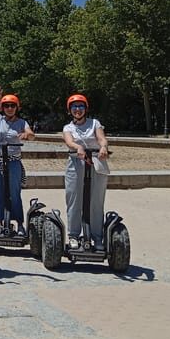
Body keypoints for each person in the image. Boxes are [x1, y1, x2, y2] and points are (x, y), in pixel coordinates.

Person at [0, 88, 35, 236]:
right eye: (6, 106)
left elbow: (31, 134)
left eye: (12, 106)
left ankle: (19, 223)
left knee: (14, 192)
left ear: (17, 107)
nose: (10, 108)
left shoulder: (22, 122)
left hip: (13, 160)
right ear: (2, 107)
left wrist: (27, 135)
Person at [62, 94, 110, 250]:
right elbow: (69, 141)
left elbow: (102, 138)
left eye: (81, 106)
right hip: (76, 163)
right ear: (70, 110)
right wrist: (78, 147)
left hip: (96, 162)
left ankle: (97, 237)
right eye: (74, 107)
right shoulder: (68, 127)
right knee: (74, 199)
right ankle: (74, 235)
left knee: (96, 201)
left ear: (86, 109)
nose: (78, 109)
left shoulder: (94, 123)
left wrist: (103, 147)